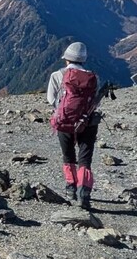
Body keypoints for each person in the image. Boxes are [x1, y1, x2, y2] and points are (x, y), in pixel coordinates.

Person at [46, 42, 114, 211]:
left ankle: (71, 189)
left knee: (68, 155)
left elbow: (50, 99)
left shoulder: (57, 75)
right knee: (85, 158)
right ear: (83, 60)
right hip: (87, 123)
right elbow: (94, 102)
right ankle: (84, 193)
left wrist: (61, 110)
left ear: (66, 59)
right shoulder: (92, 77)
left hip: (64, 122)